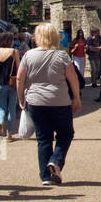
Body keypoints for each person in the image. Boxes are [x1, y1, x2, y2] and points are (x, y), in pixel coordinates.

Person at [17, 22, 83, 184]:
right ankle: (56, 161)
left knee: (43, 138)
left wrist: (21, 99)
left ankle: (46, 176)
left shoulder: (29, 55)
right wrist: (76, 97)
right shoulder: (62, 56)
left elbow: (20, 78)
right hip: (59, 100)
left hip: (35, 101)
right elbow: (73, 78)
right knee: (66, 134)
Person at [0, 32, 20, 138]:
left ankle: (0, 123)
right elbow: (18, 67)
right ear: (10, 41)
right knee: (11, 108)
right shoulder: (14, 51)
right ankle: (9, 133)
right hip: (11, 82)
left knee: (1, 107)